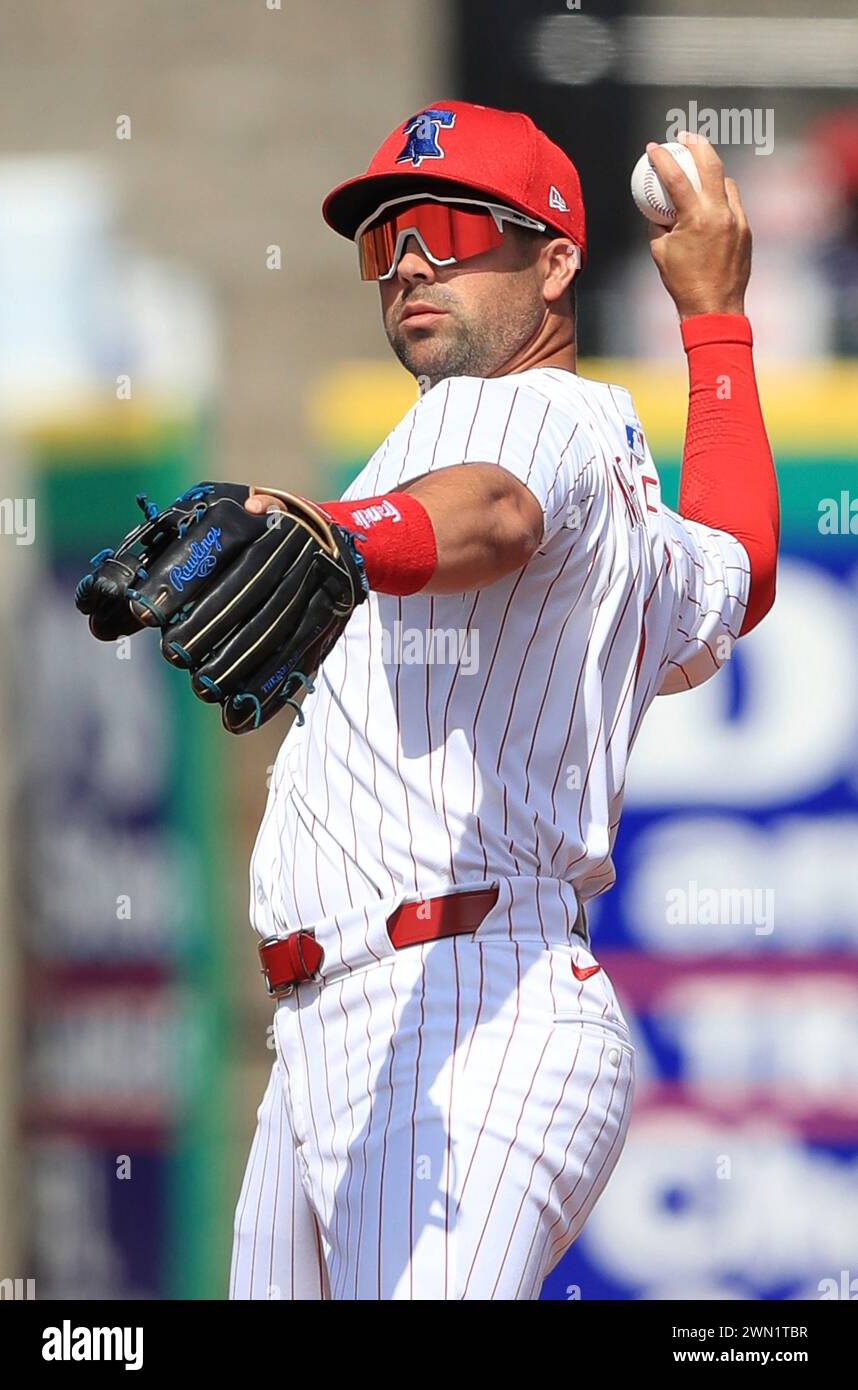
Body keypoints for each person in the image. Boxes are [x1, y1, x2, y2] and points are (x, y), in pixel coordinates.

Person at [229, 100, 778, 1301]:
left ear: (555, 261)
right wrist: (714, 323)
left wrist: (339, 529)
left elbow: (491, 511)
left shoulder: (509, 411)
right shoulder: (619, 478)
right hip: (361, 1028)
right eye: (383, 242)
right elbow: (740, 567)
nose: (409, 259)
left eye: (444, 225)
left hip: (461, 1014)